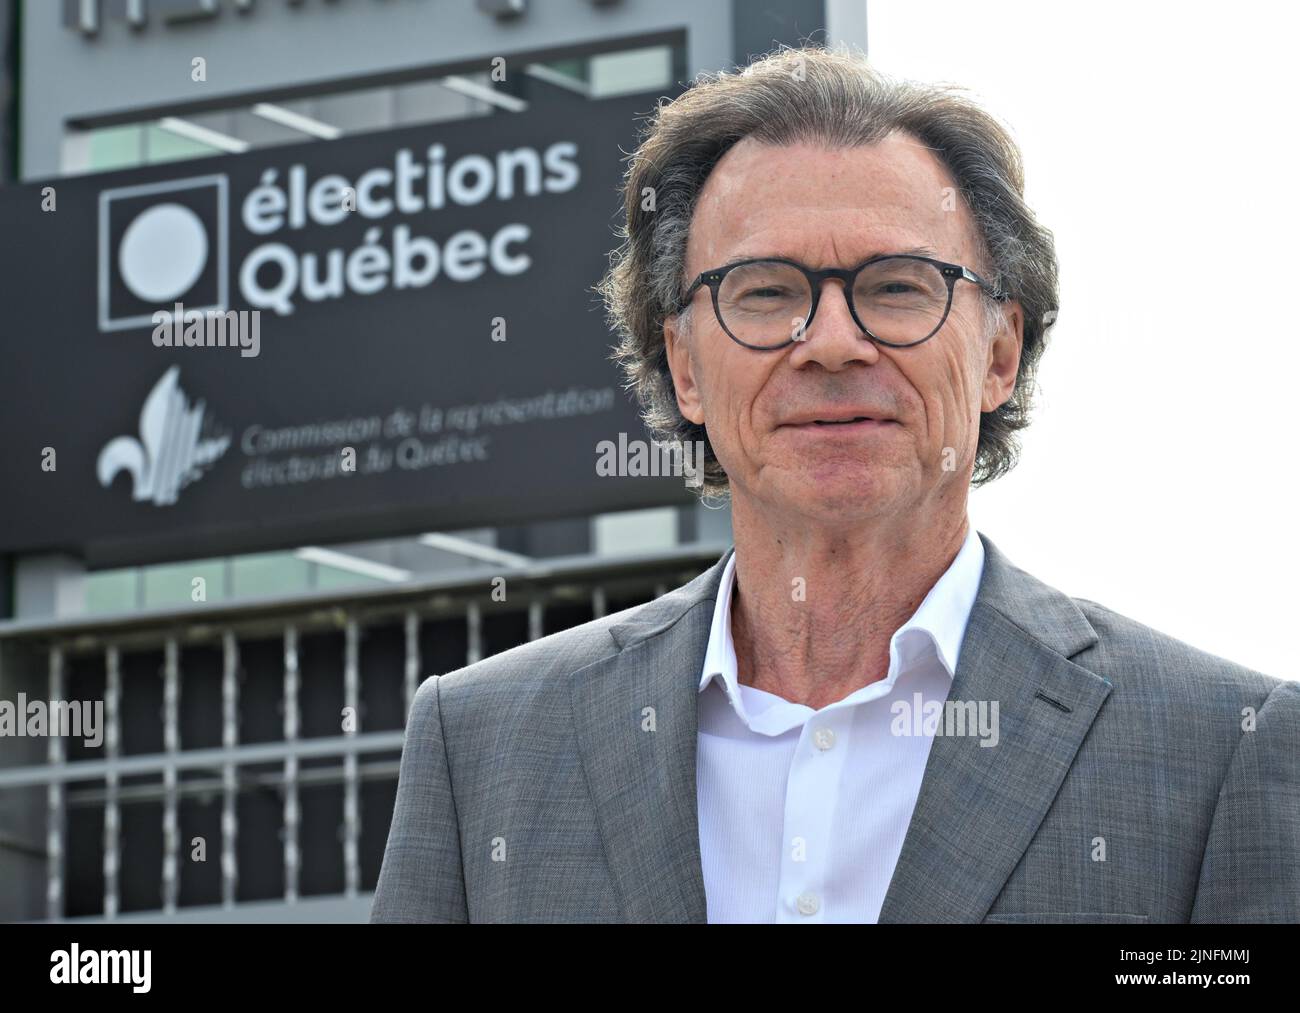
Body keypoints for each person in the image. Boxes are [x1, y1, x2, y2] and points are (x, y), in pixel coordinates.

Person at [371, 44, 1299, 923]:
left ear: (1000, 352)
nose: (830, 342)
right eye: (765, 291)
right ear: (685, 366)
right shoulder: (481, 746)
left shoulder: (1228, 746)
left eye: (898, 286)